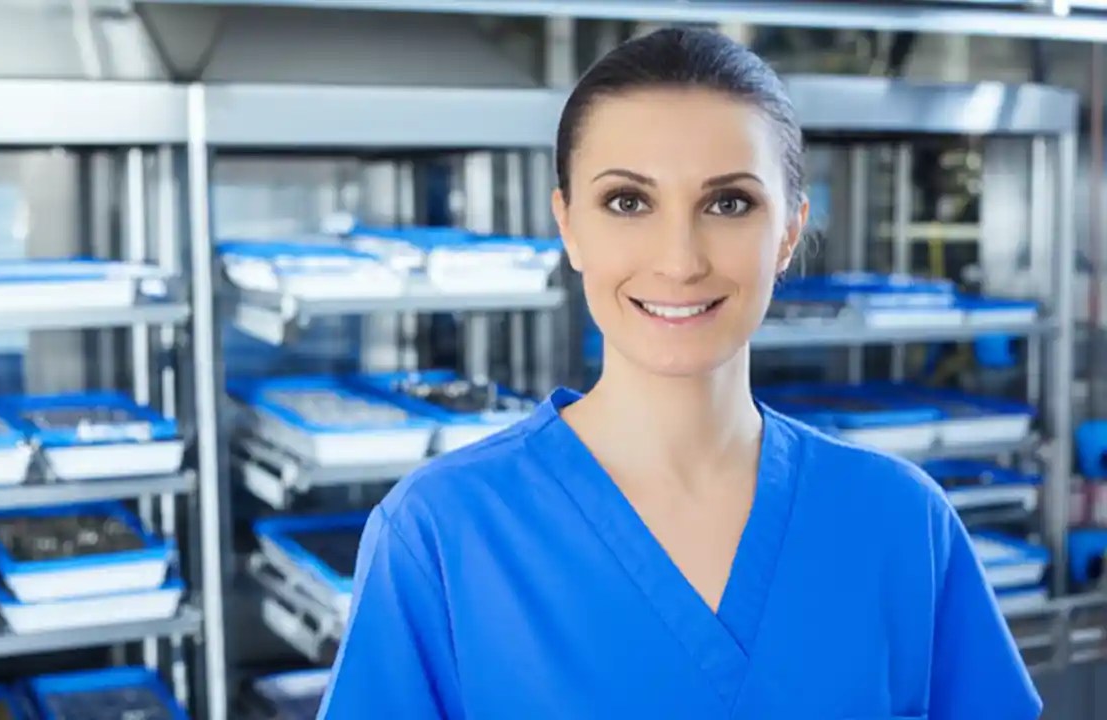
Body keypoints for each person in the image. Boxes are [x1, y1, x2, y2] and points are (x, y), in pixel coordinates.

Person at [318, 27, 1040, 719]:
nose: (680, 260)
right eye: (627, 201)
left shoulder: (900, 522)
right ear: (568, 225)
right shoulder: (444, 533)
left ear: (788, 231)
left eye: (729, 203)